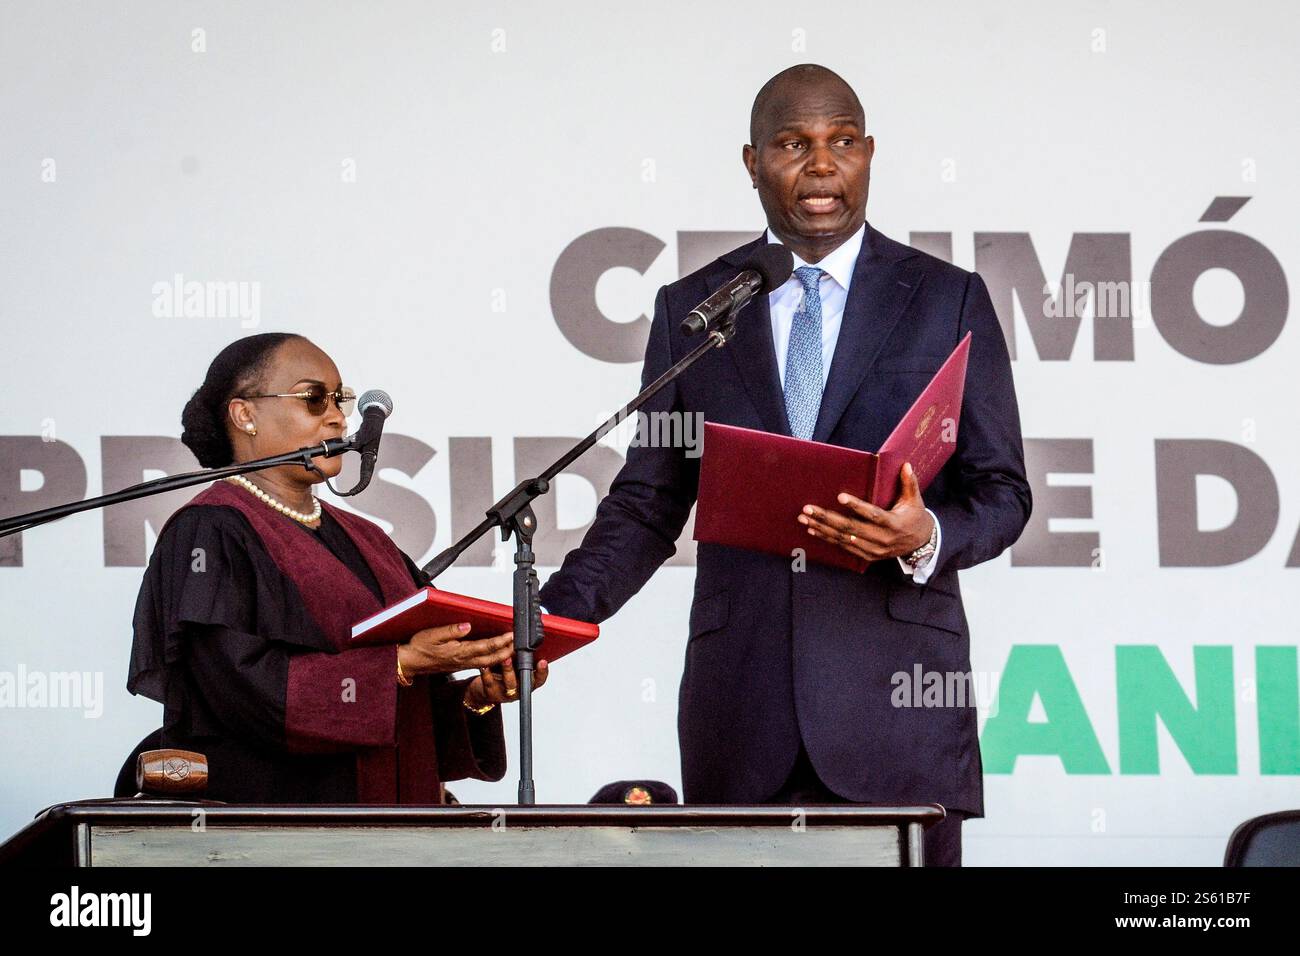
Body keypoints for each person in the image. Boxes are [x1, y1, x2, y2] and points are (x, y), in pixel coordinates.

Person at [537, 64, 1032, 865]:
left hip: (898, 717)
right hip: (743, 715)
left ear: (869, 153)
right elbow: (647, 503)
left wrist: (922, 534)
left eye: (842, 142)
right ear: (753, 160)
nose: (822, 164)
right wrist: (546, 626)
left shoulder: (947, 298)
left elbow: (1003, 494)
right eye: (793, 144)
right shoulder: (694, 308)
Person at [128, 332, 548, 803]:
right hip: (279, 828)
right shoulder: (211, 530)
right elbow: (238, 693)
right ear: (245, 414)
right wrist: (399, 663)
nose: (338, 416)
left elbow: (407, 715)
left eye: (339, 399)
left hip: (398, 830)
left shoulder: (366, 538)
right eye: (313, 399)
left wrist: (476, 695)